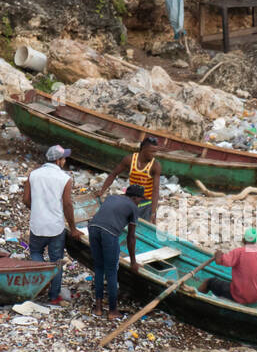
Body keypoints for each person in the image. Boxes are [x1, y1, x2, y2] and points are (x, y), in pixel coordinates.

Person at [21, 144, 77, 305]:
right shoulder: (65, 179)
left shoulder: (34, 175)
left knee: (36, 254)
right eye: (64, 158)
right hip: (56, 227)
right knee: (56, 261)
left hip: (37, 224)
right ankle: (53, 296)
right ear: (58, 161)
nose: (65, 160)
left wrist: (37, 209)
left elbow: (25, 199)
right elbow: (67, 204)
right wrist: (73, 228)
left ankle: (37, 288)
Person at [87, 183, 144, 319]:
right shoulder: (133, 207)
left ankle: (99, 308)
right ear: (136, 198)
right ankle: (113, 311)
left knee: (99, 268)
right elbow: (131, 237)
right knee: (111, 271)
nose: (141, 201)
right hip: (109, 233)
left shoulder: (112, 197)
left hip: (93, 227)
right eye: (141, 198)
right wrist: (133, 262)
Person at [199, 227, 257, 304]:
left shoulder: (239, 252)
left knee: (209, 282)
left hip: (238, 295)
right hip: (255, 297)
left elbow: (219, 261)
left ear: (243, 240)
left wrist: (218, 254)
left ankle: (197, 301)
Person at [98, 136, 161, 221]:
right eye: (152, 151)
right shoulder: (130, 160)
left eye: (155, 152)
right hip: (132, 199)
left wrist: (153, 212)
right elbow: (113, 174)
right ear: (144, 149)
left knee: (138, 224)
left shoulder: (155, 165)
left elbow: (156, 190)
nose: (154, 154)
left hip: (146, 202)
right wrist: (102, 191)